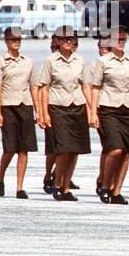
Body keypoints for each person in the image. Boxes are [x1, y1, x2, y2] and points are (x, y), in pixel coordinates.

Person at [33, 26, 89, 201]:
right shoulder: (51, 61)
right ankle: (57, 184)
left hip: (77, 106)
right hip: (58, 107)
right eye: (65, 39)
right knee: (64, 149)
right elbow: (44, 88)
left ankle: (66, 187)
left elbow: (85, 85)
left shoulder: (80, 60)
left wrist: (91, 109)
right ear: (58, 42)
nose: (68, 42)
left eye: (71, 40)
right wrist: (43, 113)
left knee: (75, 150)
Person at [85, 29, 129, 204]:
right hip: (108, 108)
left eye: (124, 38)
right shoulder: (103, 62)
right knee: (115, 149)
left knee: (126, 152)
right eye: (117, 39)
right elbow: (95, 87)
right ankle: (105, 184)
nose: (121, 41)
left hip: (127, 108)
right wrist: (93, 112)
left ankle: (117, 190)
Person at [0, 27, 37, 198]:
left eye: (18, 39)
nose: (16, 42)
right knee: (10, 148)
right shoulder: (1, 62)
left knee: (24, 149)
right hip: (8, 106)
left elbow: (33, 86)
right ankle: (1, 176)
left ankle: (19, 187)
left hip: (25, 105)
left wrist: (38, 110)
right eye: (12, 39)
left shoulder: (27, 61)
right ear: (6, 41)